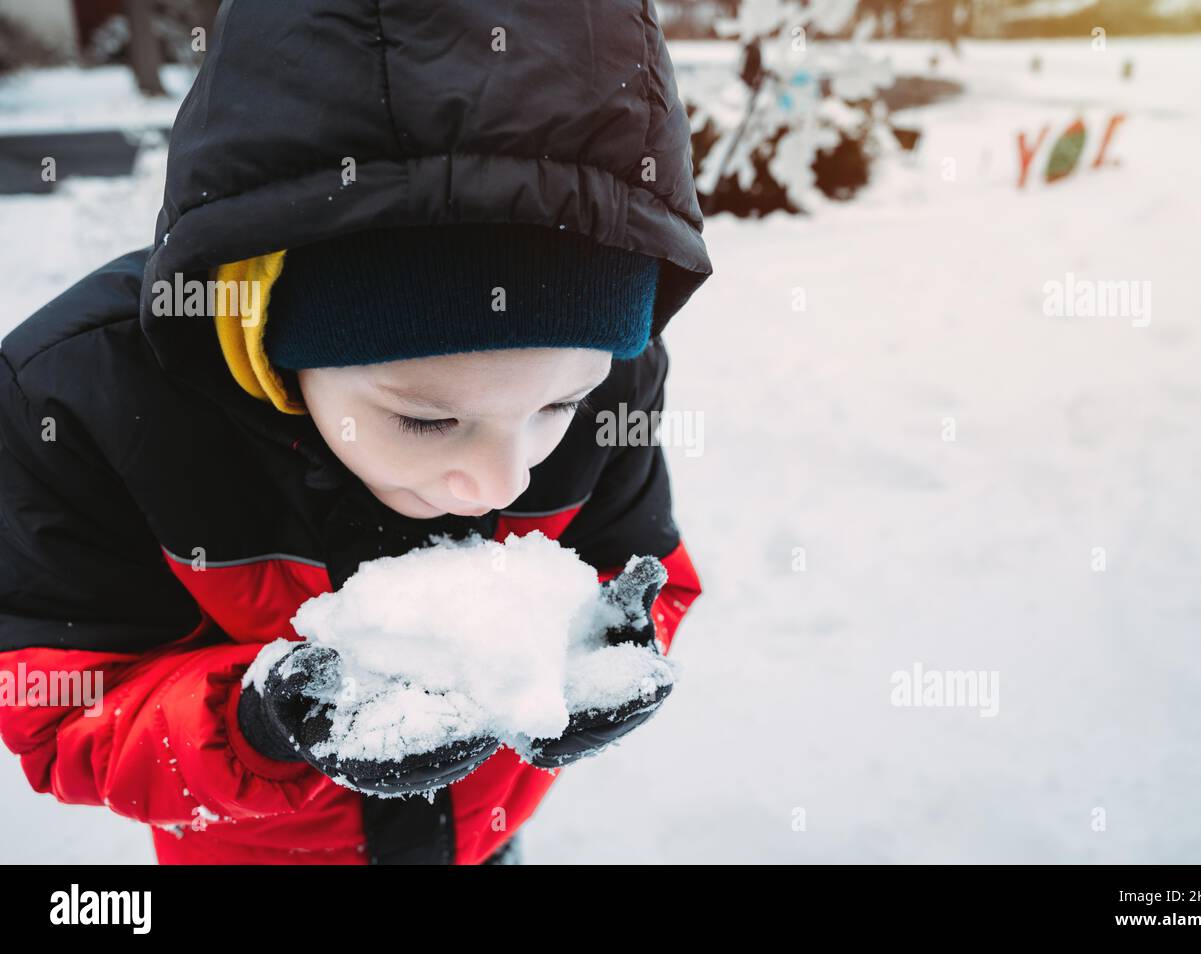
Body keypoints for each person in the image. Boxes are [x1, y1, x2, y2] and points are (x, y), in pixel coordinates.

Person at [0, 0, 711, 865]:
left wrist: (611, 646)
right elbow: (66, 713)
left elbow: (643, 569)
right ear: (265, 334)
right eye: (425, 417)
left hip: (480, 845)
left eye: (557, 409)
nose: (502, 482)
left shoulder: (609, 372)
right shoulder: (79, 408)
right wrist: (259, 723)